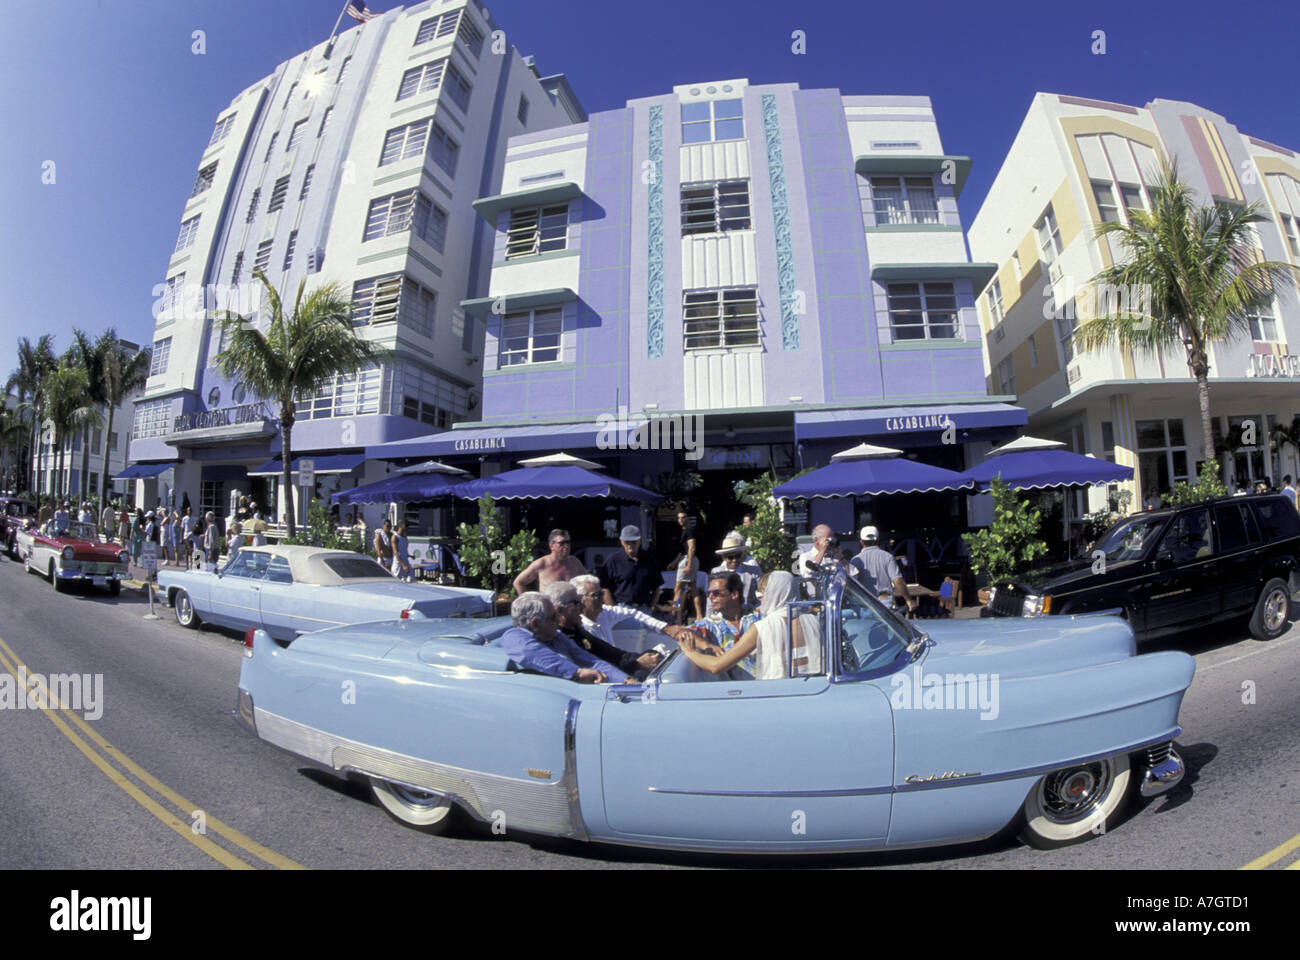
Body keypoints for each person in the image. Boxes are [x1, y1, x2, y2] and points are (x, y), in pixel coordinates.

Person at [677, 571, 821, 679]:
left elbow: (717, 666)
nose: (761, 600)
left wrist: (690, 652)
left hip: (777, 696)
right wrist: (707, 645)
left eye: (761, 595)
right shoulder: (813, 621)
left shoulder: (763, 626)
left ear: (773, 595)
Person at [545, 581, 661, 680]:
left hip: (606, 671)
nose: (581, 606)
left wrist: (640, 660)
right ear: (559, 610)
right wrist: (635, 668)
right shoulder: (559, 637)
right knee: (641, 674)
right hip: (594, 682)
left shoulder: (576, 630)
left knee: (652, 656)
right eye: (576, 603)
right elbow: (591, 663)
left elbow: (607, 651)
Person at [496, 593, 624, 683]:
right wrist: (577, 673)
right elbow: (529, 652)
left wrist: (625, 680)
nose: (559, 619)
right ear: (535, 624)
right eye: (553, 617)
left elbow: (591, 661)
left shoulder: (556, 637)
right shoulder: (514, 637)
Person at [570, 575, 684, 665]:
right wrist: (636, 662)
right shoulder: (578, 628)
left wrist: (664, 627)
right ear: (581, 600)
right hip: (607, 670)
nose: (601, 599)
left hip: (618, 662)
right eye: (596, 595)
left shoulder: (605, 613)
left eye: (602, 594)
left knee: (658, 655)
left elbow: (634, 613)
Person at [685, 572, 763, 677]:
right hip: (729, 691)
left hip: (765, 686)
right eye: (709, 593)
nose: (710, 597)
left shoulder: (759, 616)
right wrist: (707, 645)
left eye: (716, 593)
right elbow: (682, 633)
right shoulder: (709, 624)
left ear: (734, 594)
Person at [849, 525, 917, 614]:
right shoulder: (887, 557)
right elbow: (897, 580)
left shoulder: (854, 560)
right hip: (885, 602)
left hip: (864, 603)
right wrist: (909, 600)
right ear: (878, 540)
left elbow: (851, 583)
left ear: (861, 542)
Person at [599, 525, 661, 609]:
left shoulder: (649, 559)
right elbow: (605, 588)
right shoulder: (613, 560)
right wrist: (613, 610)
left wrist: (651, 607)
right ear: (621, 541)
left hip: (644, 608)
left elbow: (657, 588)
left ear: (640, 541)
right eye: (627, 542)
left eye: (633, 541)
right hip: (621, 608)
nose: (630, 545)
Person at [512, 529, 587, 595]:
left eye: (568, 542)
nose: (566, 546)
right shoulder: (541, 564)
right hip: (550, 608)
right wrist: (527, 602)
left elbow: (588, 582)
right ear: (551, 546)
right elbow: (518, 583)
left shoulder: (575, 562)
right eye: (562, 543)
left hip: (572, 608)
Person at [710, 531, 760, 608]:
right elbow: (711, 598)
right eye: (730, 557)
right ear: (724, 557)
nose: (734, 560)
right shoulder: (716, 572)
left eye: (737, 555)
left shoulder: (753, 571)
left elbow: (762, 594)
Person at [669, 509, 703, 620]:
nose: (681, 519)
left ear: (688, 518)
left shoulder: (689, 530)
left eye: (683, 517)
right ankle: (699, 615)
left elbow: (692, 547)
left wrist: (688, 564)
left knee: (678, 589)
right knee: (693, 588)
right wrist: (674, 562)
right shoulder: (686, 531)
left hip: (689, 560)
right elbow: (682, 550)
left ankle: (674, 615)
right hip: (689, 559)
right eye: (679, 517)